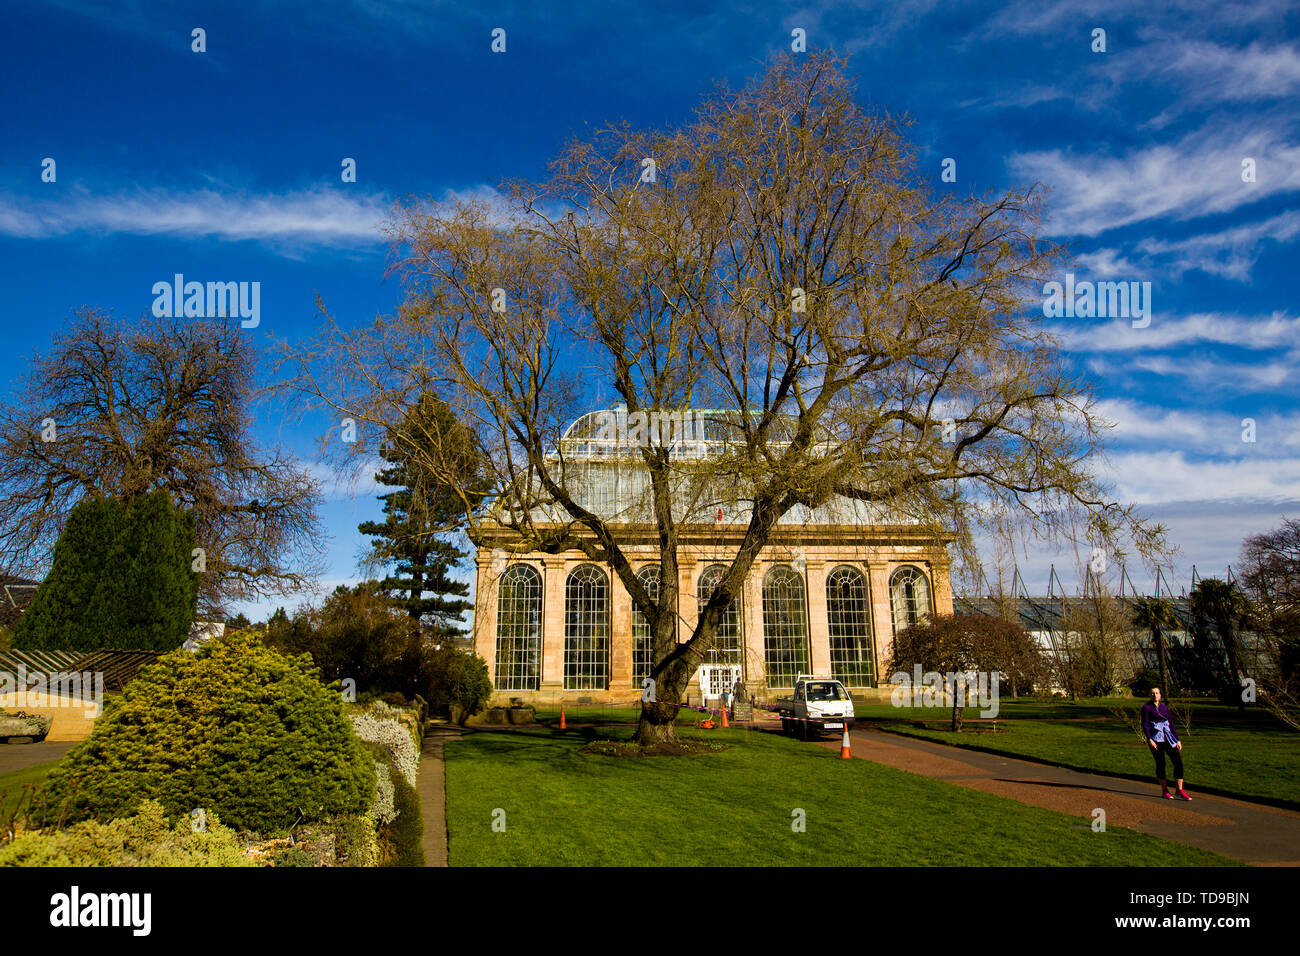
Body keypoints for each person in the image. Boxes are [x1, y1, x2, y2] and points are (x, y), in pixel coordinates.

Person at [1140, 687, 1190, 800]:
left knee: (1178, 762)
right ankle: (1165, 790)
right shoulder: (1146, 708)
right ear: (1149, 695)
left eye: (1157, 693)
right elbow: (1145, 724)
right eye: (1152, 693)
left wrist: (1177, 739)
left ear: (1160, 695)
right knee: (1161, 763)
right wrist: (1149, 739)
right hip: (1155, 739)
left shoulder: (1164, 708)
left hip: (1168, 737)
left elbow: (1170, 724)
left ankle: (1179, 790)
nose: (1155, 695)